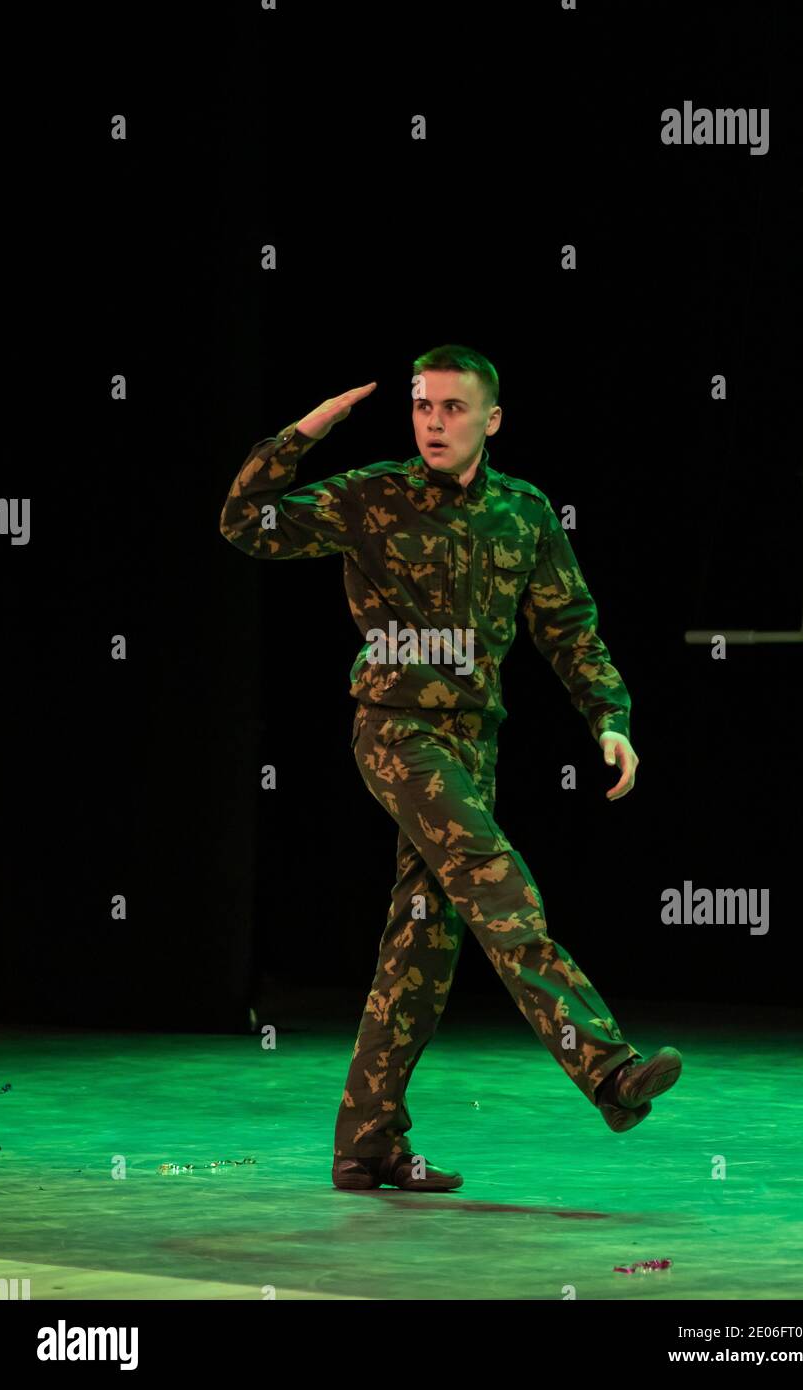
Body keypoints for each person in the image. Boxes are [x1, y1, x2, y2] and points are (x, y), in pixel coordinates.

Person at [219, 344, 682, 1193]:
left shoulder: (526, 512)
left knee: (422, 946)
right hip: (398, 733)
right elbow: (245, 523)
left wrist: (611, 719)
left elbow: (570, 628)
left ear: (490, 419)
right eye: (422, 407)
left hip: (475, 744)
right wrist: (305, 429)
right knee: (495, 879)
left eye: (453, 408)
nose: (434, 422)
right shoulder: (370, 496)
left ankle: (366, 1146)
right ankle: (607, 1069)